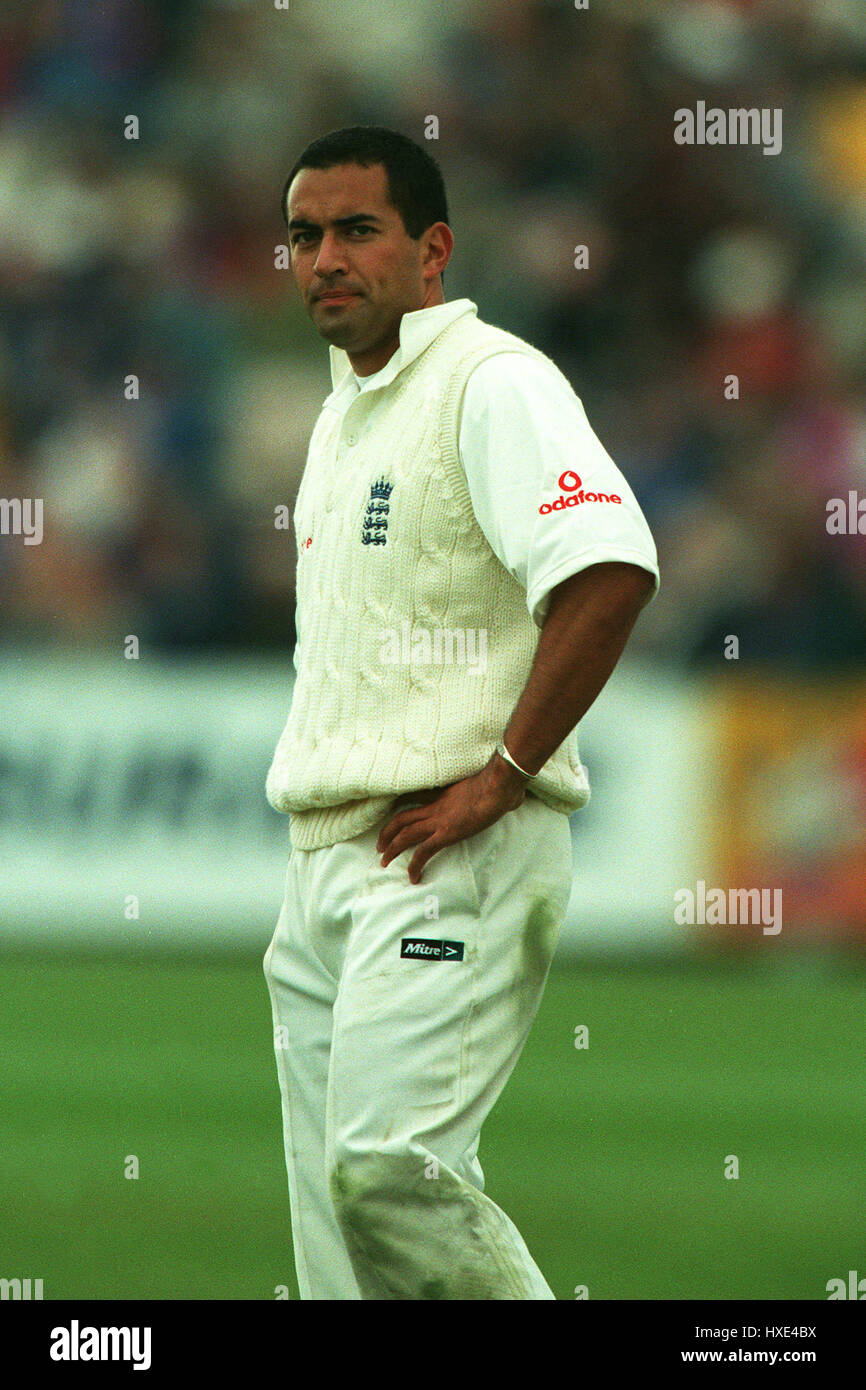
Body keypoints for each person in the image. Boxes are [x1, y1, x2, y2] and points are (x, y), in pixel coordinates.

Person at [263, 125, 659, 1300]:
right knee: (342, 1256)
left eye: (354, 231)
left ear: (431, 250)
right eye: (301, 236)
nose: (323, 258)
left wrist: (502, 771)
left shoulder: (491, 381)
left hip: (447, 844)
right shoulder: (343, 415)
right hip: (323, 862)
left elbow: (607, 566)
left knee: (389, 1170)